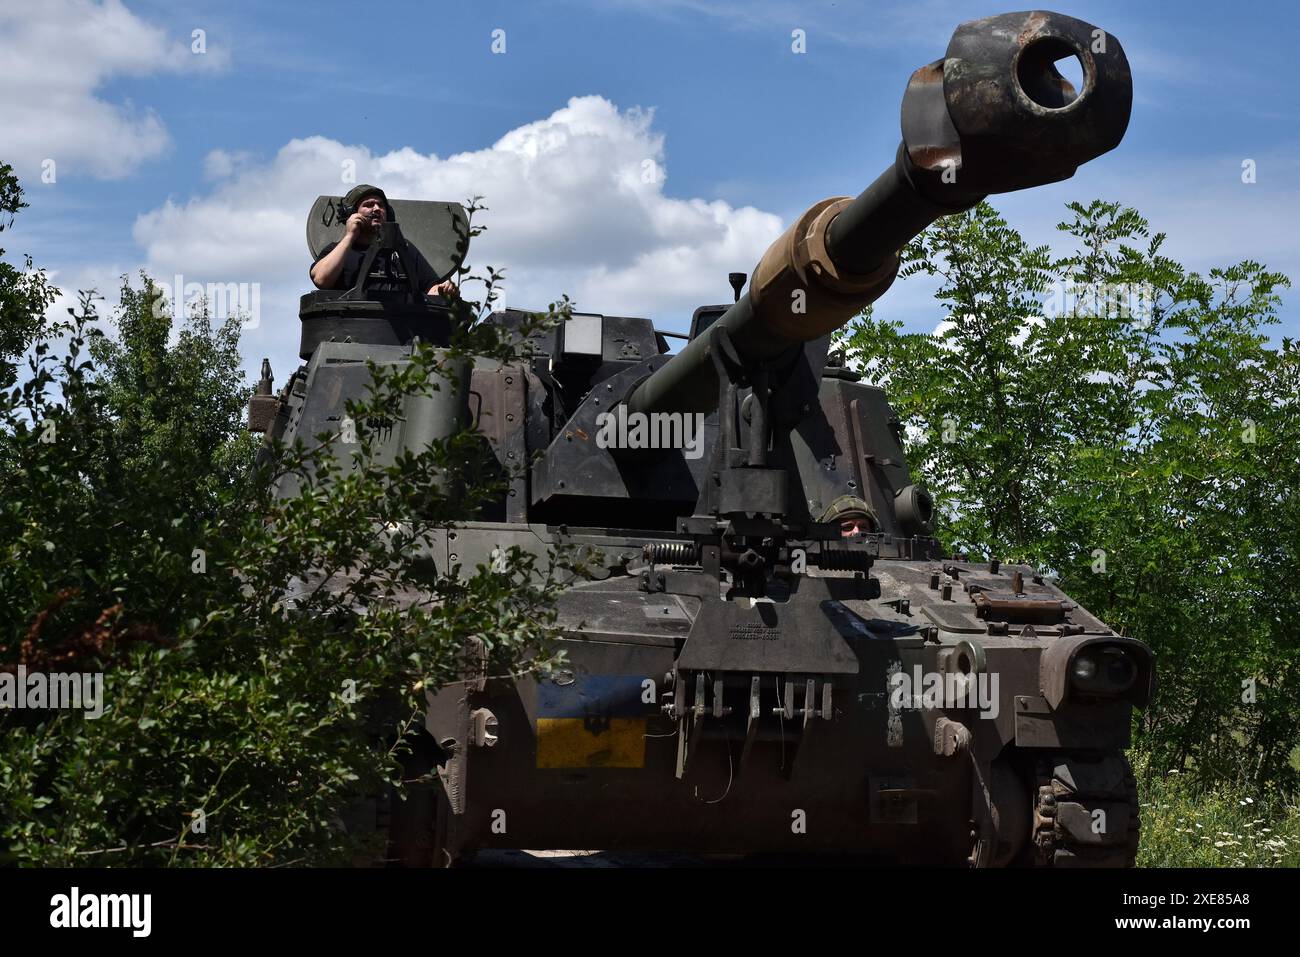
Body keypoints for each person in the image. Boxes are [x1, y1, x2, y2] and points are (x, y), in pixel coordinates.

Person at [310, 184, 458, 298]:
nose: (376, 209)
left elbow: (430, 288)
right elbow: (321, 279)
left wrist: (443, 290)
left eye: (381, 205)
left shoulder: (403, 250)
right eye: (368, 205)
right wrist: (349, 236)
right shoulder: (337, 251)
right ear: (351, 214)